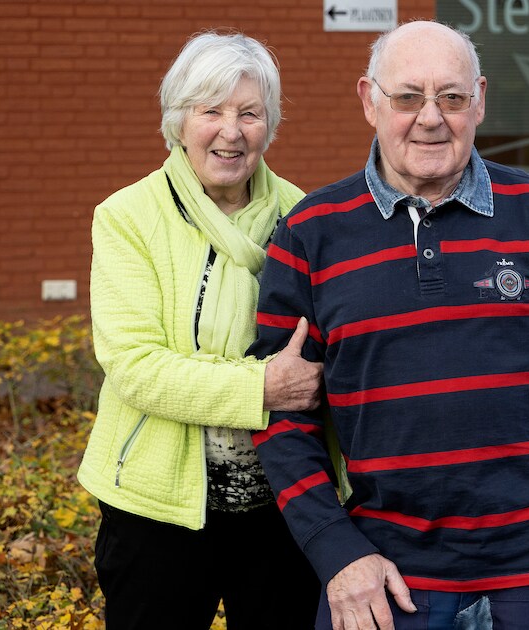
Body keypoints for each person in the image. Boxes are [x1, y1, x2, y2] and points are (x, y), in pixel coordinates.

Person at [249, 20, 529, 630]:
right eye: (408, 97)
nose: (430, 117)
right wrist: (337, 552)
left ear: (480, 101)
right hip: (386, 579)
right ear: (369, 100)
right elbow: (283, 419)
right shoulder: (311, 235)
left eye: (452, 97)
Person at [76, 31, 323, 629]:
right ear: (178, 120)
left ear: (270, 123)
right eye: (210, 110)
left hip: (283, 505)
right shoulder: (128, 217)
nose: (230, 131)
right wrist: (263, 388)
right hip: (156, 512)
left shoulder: (308, 217)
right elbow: (136, 366)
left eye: (249, 113)